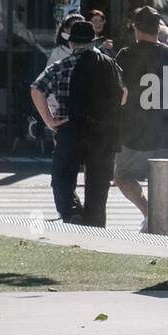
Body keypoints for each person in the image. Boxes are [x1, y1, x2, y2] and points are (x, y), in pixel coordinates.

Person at [30, 20, 126, 226]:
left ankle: (72, 213)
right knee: (98, 188)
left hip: (70, 128)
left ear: (72, 44)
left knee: (62, 178)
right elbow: (123, 94)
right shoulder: (110, 64)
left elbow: (37, 89)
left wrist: (49, 120)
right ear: (93, 43)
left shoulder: (62, 66)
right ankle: (95, 225)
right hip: (103, 132)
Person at [112, 6, 168, 230]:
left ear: (136, 27)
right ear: (159, 29)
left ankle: (148, 212)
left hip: (133, 132)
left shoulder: (125, 56)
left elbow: (119, 93)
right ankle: (158, 222)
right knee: (164, 182)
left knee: (122, 175)